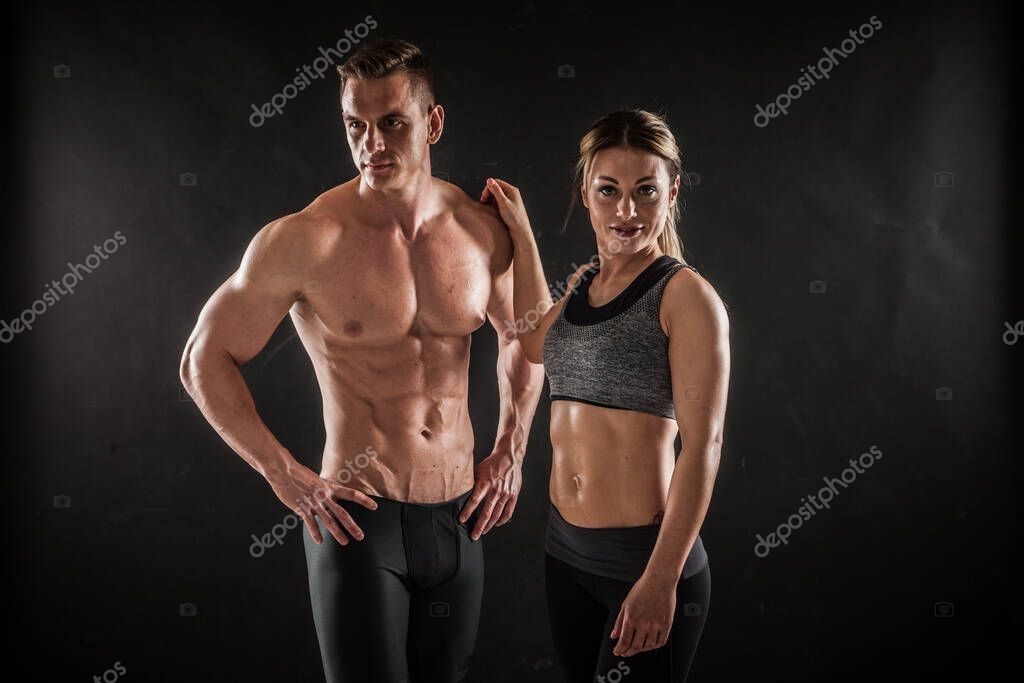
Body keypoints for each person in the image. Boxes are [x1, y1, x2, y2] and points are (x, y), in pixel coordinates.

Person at [179, 39, 544, 683]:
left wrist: (512, 450)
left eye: (392, 123)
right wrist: (282, 473)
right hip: (359, 524)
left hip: (460, 518)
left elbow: (523, 338)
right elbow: (201, 360)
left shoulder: (480, 230)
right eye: (356, 125)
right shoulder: (307, 239)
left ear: (432, 122)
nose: (371, 143)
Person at [481, 109, 730, 683]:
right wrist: (522, 236)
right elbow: (534, 341)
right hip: (565, 556)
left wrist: (661, 579)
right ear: (585, 194)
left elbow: (704, 447)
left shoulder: (686, 296)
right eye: (609, 190)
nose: (627, 211)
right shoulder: (582, 284)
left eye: (646, 190)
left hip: (642, 565)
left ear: (672, 192)